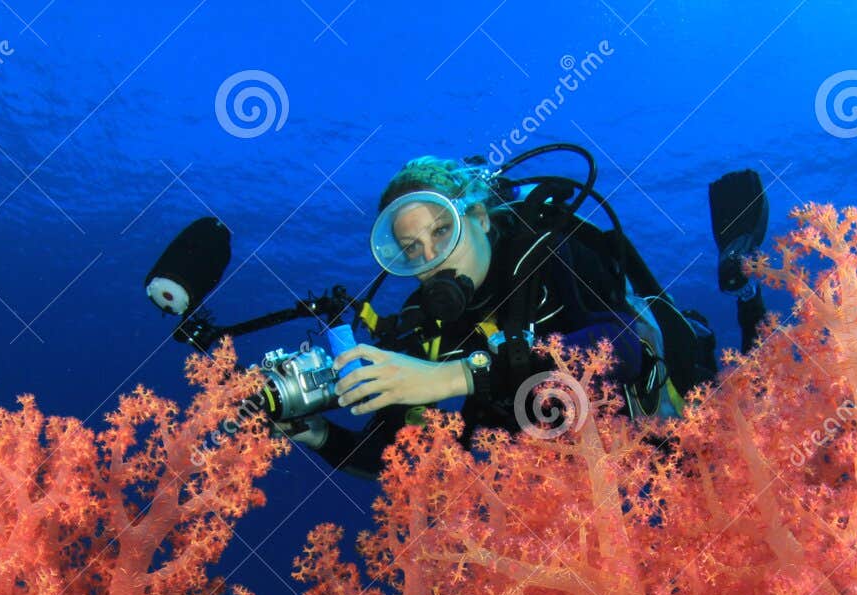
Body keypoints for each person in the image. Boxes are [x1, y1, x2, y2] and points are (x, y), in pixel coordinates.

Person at [273, 155, 761, 480]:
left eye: (442, 232)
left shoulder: (544, 253)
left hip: (668, 402)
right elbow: (394, 460)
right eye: (411, 250)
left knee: (749, 422)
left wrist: (455, 376)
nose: (432, 257)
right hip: (596, 473)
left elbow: (624, 346)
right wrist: (315, 433)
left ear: (480, 218)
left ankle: (746, 279)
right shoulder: (427, 326)